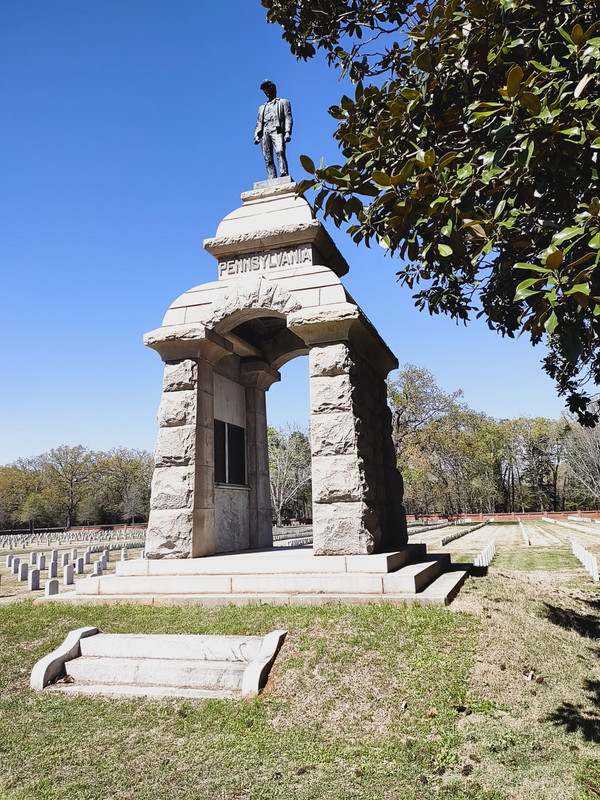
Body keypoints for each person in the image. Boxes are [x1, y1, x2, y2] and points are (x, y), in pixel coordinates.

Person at [254, 79, 293, 180]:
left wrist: (288, 132)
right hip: (265, 132)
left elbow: (288, 117)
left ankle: (283, 173)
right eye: (265, 91)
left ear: (273, 89)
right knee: (268, 158)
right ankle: (271, 178)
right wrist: (256, 135)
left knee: (280, 151)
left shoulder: (283, 102)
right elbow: (259, 122)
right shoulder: (261, 107)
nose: (266, 92)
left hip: (277, 130)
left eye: (268, 89)